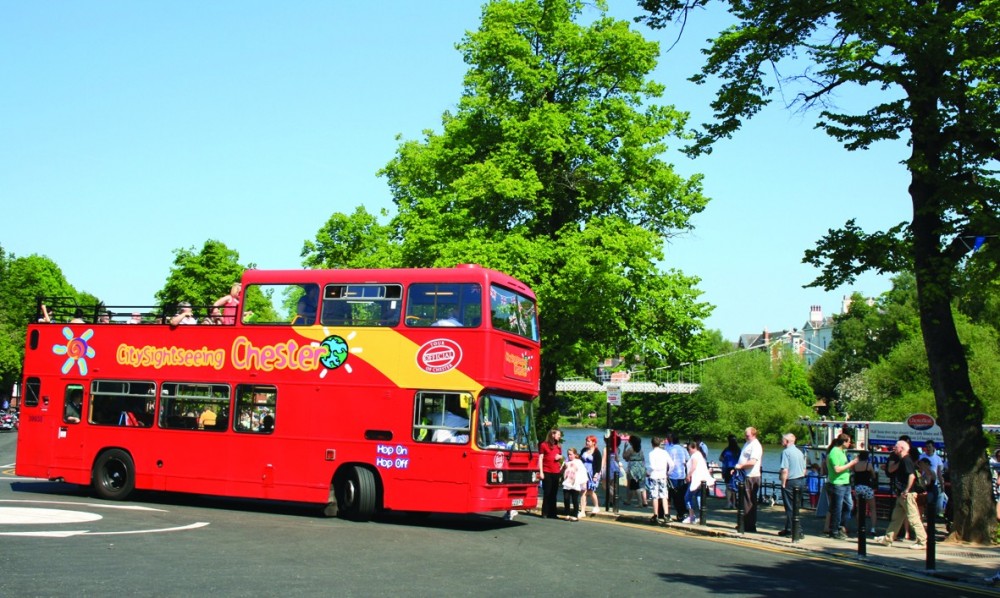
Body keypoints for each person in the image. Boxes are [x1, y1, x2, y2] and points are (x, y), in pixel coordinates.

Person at [875, 439, 927, 549]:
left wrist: (907, 490)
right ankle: (888, 539)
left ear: (901, 448)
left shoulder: (906, 460)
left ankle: (922, 541)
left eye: (896, 446)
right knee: (896, 518)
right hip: (901, 494)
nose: (894, 448)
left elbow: (911, 476)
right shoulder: (903, 460)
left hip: (907, 494)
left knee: (913, 519)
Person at [826, 433, 858, 540]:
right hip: (837, 484)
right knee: (837, 508)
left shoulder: (843, 451)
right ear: (843, 442)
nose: (850, 444)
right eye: (849, 442)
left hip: (846, 483)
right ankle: (834, 530)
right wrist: (851, 463)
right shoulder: (834, 452)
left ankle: (841, 526)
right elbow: (837, 469)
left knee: (849, 506)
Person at [734, 426, 763, 532]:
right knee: (743, 501)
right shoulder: (748, 443)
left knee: (749, 501)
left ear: (754, 434)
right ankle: (743, 523)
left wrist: (741, 466)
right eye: (745, 435)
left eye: (747, 435)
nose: (745, 437)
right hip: (744, 475)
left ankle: (749, 525)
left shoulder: (756, 446)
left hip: (752, 476)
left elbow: (752, 462)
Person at [778, 433, 807, 537]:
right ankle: (789, 528)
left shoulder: (786, 452)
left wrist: (783, 483)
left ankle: (796, 530)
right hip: (800, 480)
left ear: (787, 441)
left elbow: (785, 470)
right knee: (796, 506)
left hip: (790, 481)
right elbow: (804, 470)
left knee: (790, 507)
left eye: (782, 440)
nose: (781, 442)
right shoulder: (800, 452)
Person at [646, 436, 674, 525]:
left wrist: (648, 472)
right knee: (664, 496)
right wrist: (668, 472)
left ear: (652, 444)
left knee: (655, 496)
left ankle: (655, 515)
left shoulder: (651, 453)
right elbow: (672, 464)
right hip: (663, 475)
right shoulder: (664, 452)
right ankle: (666, 515)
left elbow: (652, 466)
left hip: (654, 476)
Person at [684, 441, 713, 524]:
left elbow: (693, 467)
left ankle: (691, 515)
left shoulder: (695, 456)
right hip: (701, 480)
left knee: (687, 497)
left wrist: (688, 475)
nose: (688, 451)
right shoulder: (700, 455)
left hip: (695, 480)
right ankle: (701, 516)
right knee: (699, 497)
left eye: (689, 449)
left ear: (693, 448)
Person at [852, 450, 879, 535]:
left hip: (858, 487)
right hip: (867, 487)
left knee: (859, 509)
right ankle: (873, 528)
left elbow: (853, 473)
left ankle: (859, 528)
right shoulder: (868, 465)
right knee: (872, 508)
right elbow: (874, 475)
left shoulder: (855, 465)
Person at [538, 429, 564, 519]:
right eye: (558, 434)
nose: (559, 436)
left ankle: (553, 513)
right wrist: (540, 471)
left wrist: (560, 457)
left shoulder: (559, 446)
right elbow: (540, 458)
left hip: (556, 471)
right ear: (552, 435)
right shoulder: (543, 445)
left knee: (554, 493)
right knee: (547, 492)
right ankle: (545, 512)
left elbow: (560, 456)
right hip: (547, 471)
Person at [666, 433, 689, 521]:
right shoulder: (683, 449)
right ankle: (681, 513)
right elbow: (687, 460)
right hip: (681, 475)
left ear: (671, 440)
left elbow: (668, 462)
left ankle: (667, 513)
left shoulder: (670, 449)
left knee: (671, 495)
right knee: (680, 496)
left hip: (672, 475)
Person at [561, 448, 588, 520]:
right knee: (566, 499)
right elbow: (562, 471)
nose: (569, 456)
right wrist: (563, 468)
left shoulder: (578, 462)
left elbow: (583, 472)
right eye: (568, 454)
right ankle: (567, 513)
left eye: (571, 454)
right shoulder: (566, 462)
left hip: (575, 484)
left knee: (574, 500)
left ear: (575, 455)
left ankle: (575, 515)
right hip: (567, 483)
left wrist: (583, 483)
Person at [579, 435, 602, 515]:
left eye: (589, 441)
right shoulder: (584, 450)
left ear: (593, 443)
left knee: (590, 491)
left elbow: (598, 465)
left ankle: (596, 506)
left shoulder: (597, 452)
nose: (587, 442)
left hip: (592, 473)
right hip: (583, 472)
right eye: (586, 441)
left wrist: (596, 475)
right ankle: (582, 511)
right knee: (583, 491)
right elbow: (580, 460)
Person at [623, 435, 647, 507]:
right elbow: (643, 459)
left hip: (632, 468)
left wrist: (624, 448)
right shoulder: (641, 450)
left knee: (633, 486)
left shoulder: (630, 449)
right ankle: (631, 500)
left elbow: (625, 456)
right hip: (640, 468)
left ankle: (638, 502)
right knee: (638, 485)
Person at [719, 434, 740, 509]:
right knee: (734, 487)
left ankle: (728, 503)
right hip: (736, 469)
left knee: (728, 487)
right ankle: (734, 504)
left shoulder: (727, 450)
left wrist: (726, 461)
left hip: (728, 469)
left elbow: (720, 458)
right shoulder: (738, 450)